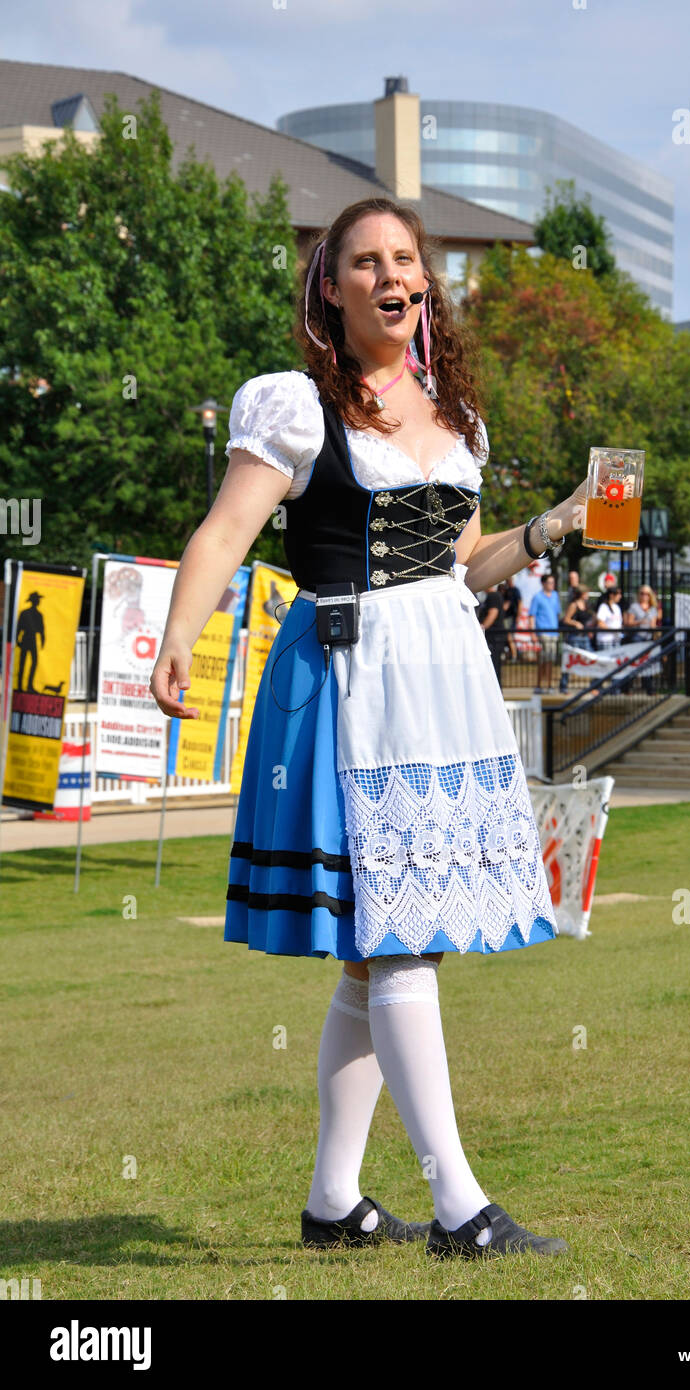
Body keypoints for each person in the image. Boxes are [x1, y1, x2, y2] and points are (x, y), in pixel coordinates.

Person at [149, 197, 589, 1260]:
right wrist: (176, 636)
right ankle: (458, 1205)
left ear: (423, 285)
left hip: (439, 677)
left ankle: (332, 1203)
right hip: (353, 683)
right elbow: (224, 530)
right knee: (400, 937)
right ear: (332, 289)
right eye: (366, 261)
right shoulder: (299, 410)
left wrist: (547, 527)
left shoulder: (452, 415)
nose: (393, 274)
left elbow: (461, 568)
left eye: (406, 258)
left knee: (373, 952)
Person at [529, 572, 561, 694]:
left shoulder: (555, 595)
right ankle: (540, 685)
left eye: (553, 582)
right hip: (543, 632)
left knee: (550, 661)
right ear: (543, 583)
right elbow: (532, 615)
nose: (552, 585)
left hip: (554, 633)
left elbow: (557, 613)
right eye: (549, 582)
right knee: (543, 660)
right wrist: (533, 633)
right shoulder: (537, 597)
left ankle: (548, 685)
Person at [559, 586, 594, 693]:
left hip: (584, 637)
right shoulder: (573, 605)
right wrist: (576, 623)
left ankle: (593, 686)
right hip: (574, 637)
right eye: (586, 593)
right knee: (569, 661)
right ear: (582, 594)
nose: (588, 595)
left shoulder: (587, 606)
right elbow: (566, 619)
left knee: (592, 658)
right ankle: (563, 686)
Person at [478, 582, 508, 685]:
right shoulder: (494, 596)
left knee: (493, 667)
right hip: (495, 637)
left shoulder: (493, 596)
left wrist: (482, 628)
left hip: (494, 637)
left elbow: (493, 613)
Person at [595, 584, 624, 649]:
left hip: (616, 640)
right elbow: (600, 623)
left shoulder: (617, 607)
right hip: (606, 640)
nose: (620, 596)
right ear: (611, 595)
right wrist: (613, 630)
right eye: (618, 594)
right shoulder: (603, 607)